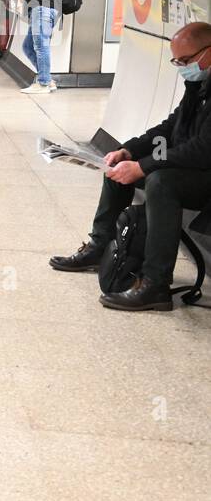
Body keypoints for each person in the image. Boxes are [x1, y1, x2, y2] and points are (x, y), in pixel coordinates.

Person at [50, 22, 211, 311]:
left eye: (185, 61)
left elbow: (202, 150)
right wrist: (130, 150)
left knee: (161, 182)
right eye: (177, 62)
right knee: (120, 169)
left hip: (205, 173)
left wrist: (144, 166)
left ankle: (155, 284)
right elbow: (170, 128)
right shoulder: (198, 86)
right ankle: (100, 246)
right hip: (194, 168)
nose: (182, 68)